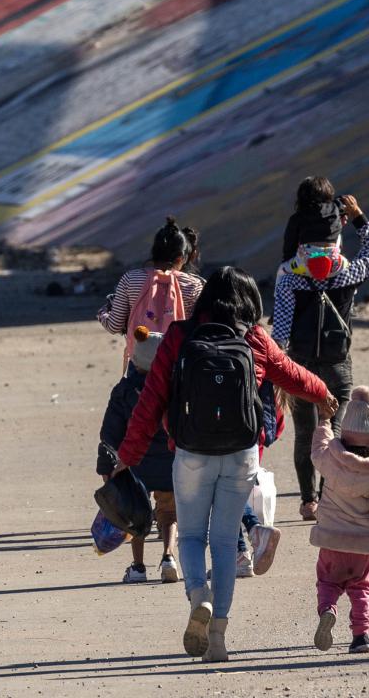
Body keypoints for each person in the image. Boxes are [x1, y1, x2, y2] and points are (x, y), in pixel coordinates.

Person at [115, 267, 335, 664]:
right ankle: (217, 636)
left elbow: (150, 404)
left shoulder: (179, 337)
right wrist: (324, 395)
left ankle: (199, 597)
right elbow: (294, 376)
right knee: (223, 541)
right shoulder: (254, 339)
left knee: (193, 536)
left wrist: (126, 458)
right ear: (249, 302)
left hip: (190, 453)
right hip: (242, 452)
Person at [271, 183, 369, 520]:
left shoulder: (290, 277)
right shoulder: (347, 273)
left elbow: (281, 329)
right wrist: (359, 217)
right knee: (333, 432)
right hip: (337, 363)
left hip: (300, 365)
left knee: (305, 433)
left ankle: (308, 502)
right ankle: (328, 497)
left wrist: (278, 368)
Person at [307, 386, 369, 656]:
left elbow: (318, 448)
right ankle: (360, 636)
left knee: (328, 583)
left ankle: (328, 610)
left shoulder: (330, 459)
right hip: (363, 547)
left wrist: (325, 420)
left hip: (332, 541)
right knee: (361, 588)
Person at [97, 328, 180, 584]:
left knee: (137, 516)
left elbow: (109, 432)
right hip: (168, 462)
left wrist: (106, 465)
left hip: (135, 464)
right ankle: (168, 557)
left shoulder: (123, 390)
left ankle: (138, 567)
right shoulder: (174, 389)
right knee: (169, 513)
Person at [99, 219, 204, 375]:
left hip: (140, 364)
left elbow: (114, 325)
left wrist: (103, 313)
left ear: (153, 253)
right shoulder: (195, 285)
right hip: (177, 364)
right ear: (181, 258)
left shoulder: (131, 279)